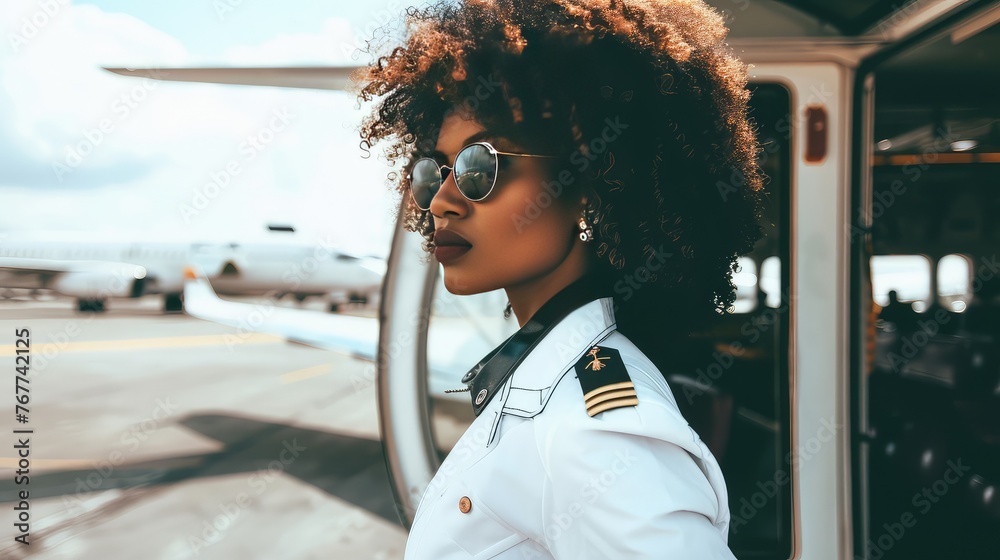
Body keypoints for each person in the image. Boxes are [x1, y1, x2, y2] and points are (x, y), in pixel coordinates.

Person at [355, 0, 764, 557]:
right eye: (433, 172)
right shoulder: (551, 384)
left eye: (481, 166)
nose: (442, 201)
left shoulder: (596, 432)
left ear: (591, 189)